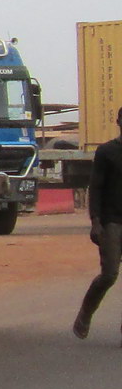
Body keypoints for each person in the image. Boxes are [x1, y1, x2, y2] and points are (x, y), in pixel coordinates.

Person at [71, 107, 122, 340]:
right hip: (112, 220)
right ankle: (86, 312)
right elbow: (97, 187)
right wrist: (95, 222)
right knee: (109, 274)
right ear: (119, 122)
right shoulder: (107, 152)